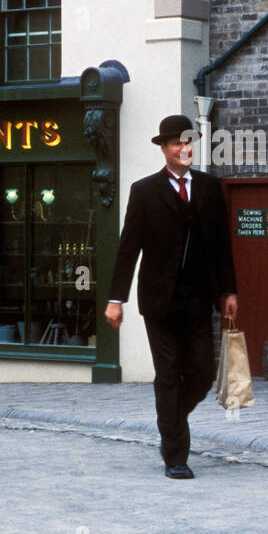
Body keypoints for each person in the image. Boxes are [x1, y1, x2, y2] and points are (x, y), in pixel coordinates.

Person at [105, 115, 238, 479]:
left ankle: (171, 416)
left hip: (198, 299)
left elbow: (221, 246)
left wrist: (228, 291)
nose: (185, 148)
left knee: (202, 371)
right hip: (159, 301)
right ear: (164, 149)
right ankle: (176, 456)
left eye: (189, 141)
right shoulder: (144, 191)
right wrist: (116, 299)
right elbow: (127, 249)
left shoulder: (211, 188)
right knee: (168, 375)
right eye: (177, 143)